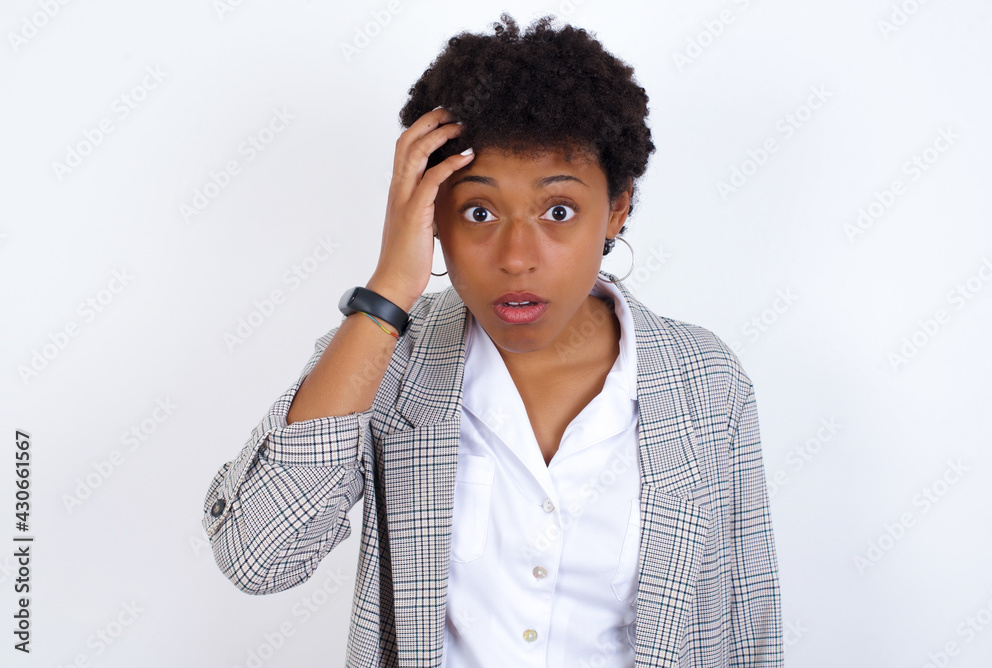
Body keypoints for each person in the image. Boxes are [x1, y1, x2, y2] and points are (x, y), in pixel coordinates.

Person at [202, 13, 782, 667]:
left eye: (558, 211)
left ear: (616, 209)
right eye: (478, 212)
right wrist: (391, 285)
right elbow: (259, 556)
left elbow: (744, 624)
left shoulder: (706, 381)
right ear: (433, 217)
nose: (515, 257)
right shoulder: (388, 358)